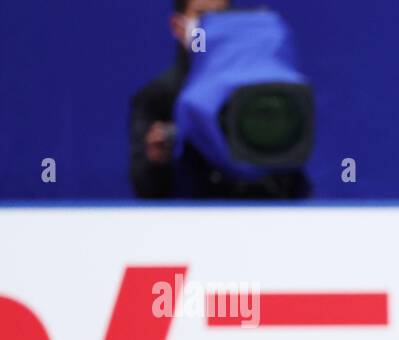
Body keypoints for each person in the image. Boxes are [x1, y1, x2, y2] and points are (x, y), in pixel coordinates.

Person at [129, 0, 309, 198]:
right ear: (178, 26)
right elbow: (146, 189)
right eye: (202, 15)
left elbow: (294, 179)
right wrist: (157, 163)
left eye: (220, 15)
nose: (212, 25)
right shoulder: (158, 96)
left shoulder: (265, 91)